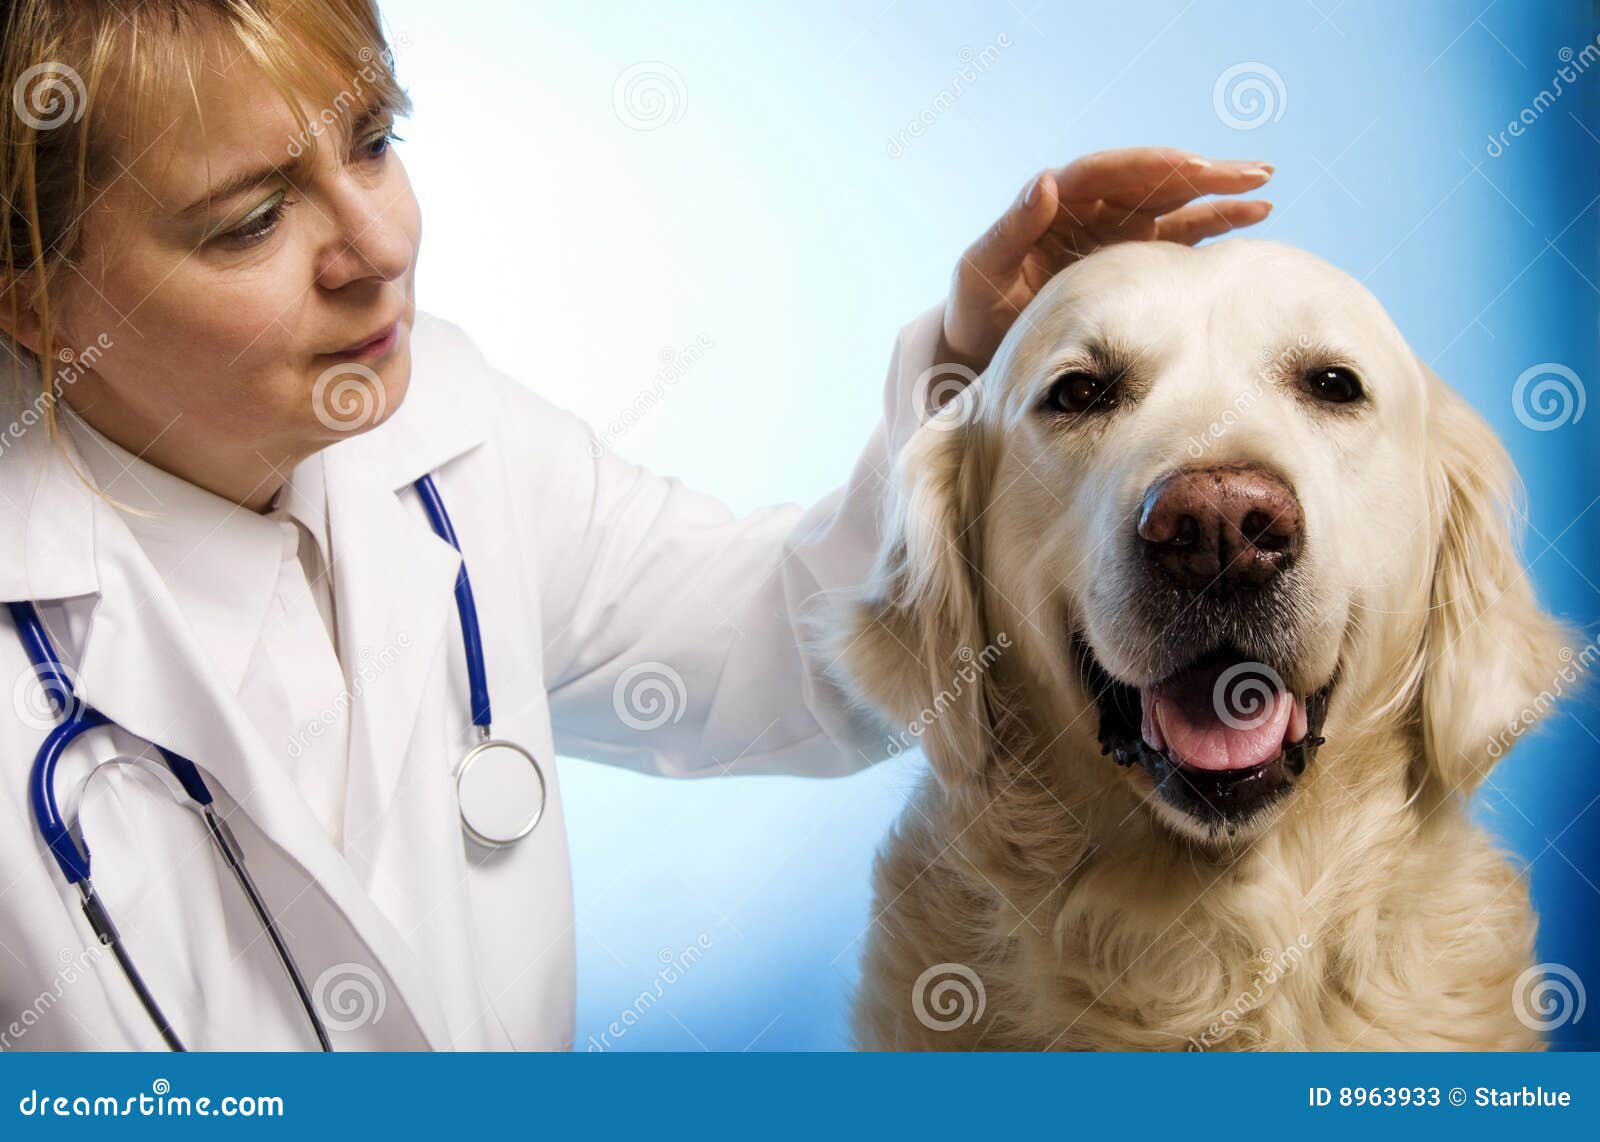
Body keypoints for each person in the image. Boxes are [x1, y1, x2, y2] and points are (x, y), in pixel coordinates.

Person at [0, 0, 1273, 1050]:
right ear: (33, 299)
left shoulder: (442, 426)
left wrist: (980, 377)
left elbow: (794, 652)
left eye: (374, 138)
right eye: (255, 219)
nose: (380, 243)